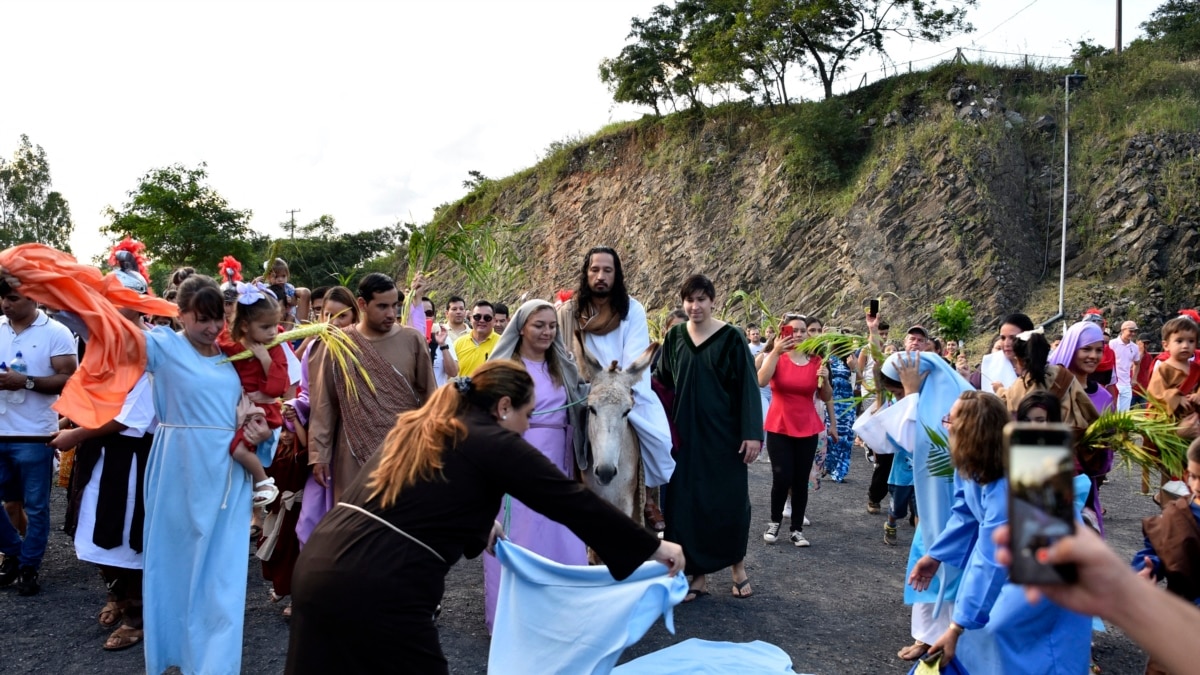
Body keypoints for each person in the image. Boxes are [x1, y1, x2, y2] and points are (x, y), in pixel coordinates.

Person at [285, 360, 684, 674]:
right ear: (504, 406)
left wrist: (478, 525)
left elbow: (421, 498)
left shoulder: (424, 426)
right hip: (381, 584)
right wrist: (651, 545)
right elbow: (566, 499)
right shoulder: (490, 439)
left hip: (320, 567)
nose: (528, 426)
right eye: (527, 415)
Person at [135, 275, 277, 673]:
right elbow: (110, 335)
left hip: (227, 473)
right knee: (173, 564)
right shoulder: (162, 346)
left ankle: (215, 665)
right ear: (179, 315)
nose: (212, 328)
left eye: (218, 318)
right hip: (177, 470)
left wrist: (263, 434)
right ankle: (173, 655)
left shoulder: (233, 354)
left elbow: (260, 410)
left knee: (222, 573)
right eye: (202, 319)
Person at [908, 391, 1091, 674]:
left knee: (1005, 636)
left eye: (950, 420)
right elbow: (965, 512)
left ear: (971, 431)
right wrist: (936, 555)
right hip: (1014, 562)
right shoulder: (972, 460)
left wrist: (957, 626)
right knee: (979, 634)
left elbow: (992, 556)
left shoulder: (1016, 476)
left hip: (1047, 573)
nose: (946, 425)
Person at [47, 248, 170, 649]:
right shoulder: (104, 342)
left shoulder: (152, 348)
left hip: (131, 458)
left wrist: (76, 434)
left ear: (137, 308)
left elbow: (131, 419)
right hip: (101, 451)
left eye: (120, 307)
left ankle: (138, 616)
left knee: (123, 535)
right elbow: (67, 313)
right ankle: (118, 595)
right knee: (89, 529)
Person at [482, 299, 589, 631]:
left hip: (559, 457)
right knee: (521, 533)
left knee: (562, 533)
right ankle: (512, 622)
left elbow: (580, 404)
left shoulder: (564, 365)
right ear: (521, 327)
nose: (546, 331)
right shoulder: (503, 367)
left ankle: (565, 618)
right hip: (515, 458)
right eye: (538, 325)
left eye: (551, 325)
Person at [654, 274, 761, 601]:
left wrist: (752, 433)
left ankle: (737, 567)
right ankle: (695, 576)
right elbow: (662, 386)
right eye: (689, 300)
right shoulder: (673, 337)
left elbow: (748, 387)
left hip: (723, 438)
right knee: (684, 505)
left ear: (713, 301)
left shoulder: (732, 337)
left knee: (728, 502)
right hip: (684, 438)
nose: (695, 306)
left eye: (701, 299)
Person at [863, 350, 973, 661]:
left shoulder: (960, 402)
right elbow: (885, 441)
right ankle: (926, 637)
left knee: (954, 570)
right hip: (931, 505)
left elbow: (915, 440)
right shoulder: (923, 399)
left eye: (898, 391)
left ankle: (952, 640)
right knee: (924, 569)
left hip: (959, 507)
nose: (899, 397)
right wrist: (904, 396)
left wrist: (910, 394)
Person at [308, 273, 435, 501]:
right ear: (362, 304)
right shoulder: (339, 343)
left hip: (404, 451)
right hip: (353, 453)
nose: (390, 314)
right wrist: (320, 455)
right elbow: (323, 402)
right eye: (383, 306)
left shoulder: (413, 340)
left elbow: (431, 398)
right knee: (356, 524)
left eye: (395, 306)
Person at [558, 246, 675, 491]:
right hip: (580, 388)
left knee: (660, 440)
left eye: (607, 270)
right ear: (586, 273)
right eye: (595, 269)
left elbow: (634, 354)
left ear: (616, 274)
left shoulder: (632, 309)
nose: (601, 276)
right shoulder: (570, 311)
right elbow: (563, 353)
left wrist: (617, 387)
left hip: (624, 385)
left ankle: (648, 496)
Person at [0, 278, 79, 596]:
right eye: (3, 299)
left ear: (33, 299)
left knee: (36, 507)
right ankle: (14, 554)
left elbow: (68, 379)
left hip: (34, 434)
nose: (6, 304)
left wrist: (26, 382)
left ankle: (29, 566)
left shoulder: (55, 332)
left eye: (13, 298)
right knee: (10, 502)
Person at [757, 313, 830, 549]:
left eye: (802, 330)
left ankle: (796, 529)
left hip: (807, 426)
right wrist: (776, 352)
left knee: (800, 480)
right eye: (793, 330)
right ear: (784, 333)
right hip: (779, 425)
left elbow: (825, 396)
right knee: (782, 477)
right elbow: (761, 381)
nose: (798, 334)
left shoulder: (817, 361)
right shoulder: (776, 357)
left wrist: (826, 380)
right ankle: (774, 522)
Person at [218, 282, 289, 507]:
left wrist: (265, 360)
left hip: (262, 410)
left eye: (274, 325)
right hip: (238, 408)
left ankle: (264, 481)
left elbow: (279, 388)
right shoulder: (232, 344)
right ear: (246, 326)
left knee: (238, 448)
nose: (272, 332)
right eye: (265, 326)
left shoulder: (274, 347)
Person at [997, 329, 1099, 429]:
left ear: (1019, 360)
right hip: (1069, 441)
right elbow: (1087, 409)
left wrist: (999, 390)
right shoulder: (1064, 375)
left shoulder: (1019, 387)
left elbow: (1006, 407)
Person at [981, 313, 1035, 392]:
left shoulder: (1043, 364)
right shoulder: (989, 365)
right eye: (1003, 338)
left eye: (1013, 338)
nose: (1006, 343)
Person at [446, 300, 500, 377]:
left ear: (494, 320)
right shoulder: (458, 343)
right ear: (471, 318)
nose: (481, 320)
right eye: (477, 317)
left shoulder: (502, 343)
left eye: (487, 318)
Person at [1111, 320, 1141, 411]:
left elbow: (1137, 363)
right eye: (1130, 331)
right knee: (1113, 411)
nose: (1133, 333)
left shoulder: (1135, 347)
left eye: (1135, 331)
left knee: (1124, 413)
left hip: (1126, 384)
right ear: (1123, 330)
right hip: (1114, 383)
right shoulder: (1112, 344)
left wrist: (1134, 378)